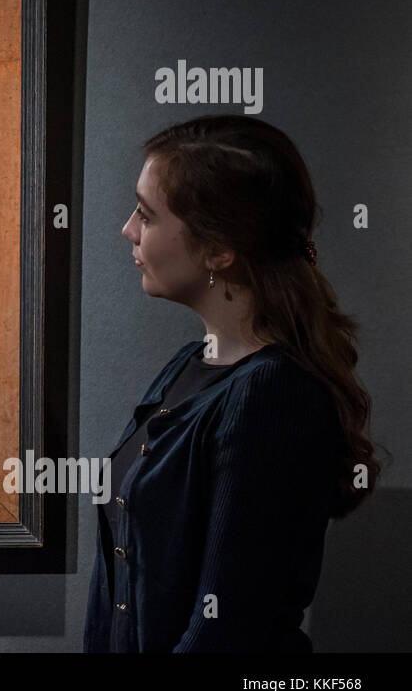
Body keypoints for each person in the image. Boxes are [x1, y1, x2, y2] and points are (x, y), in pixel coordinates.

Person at [85, 115, 382, 652]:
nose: (128, 229)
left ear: (220, 250)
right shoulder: (187, 364)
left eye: (147, 216)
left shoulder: (271, 395)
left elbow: (226, 629)